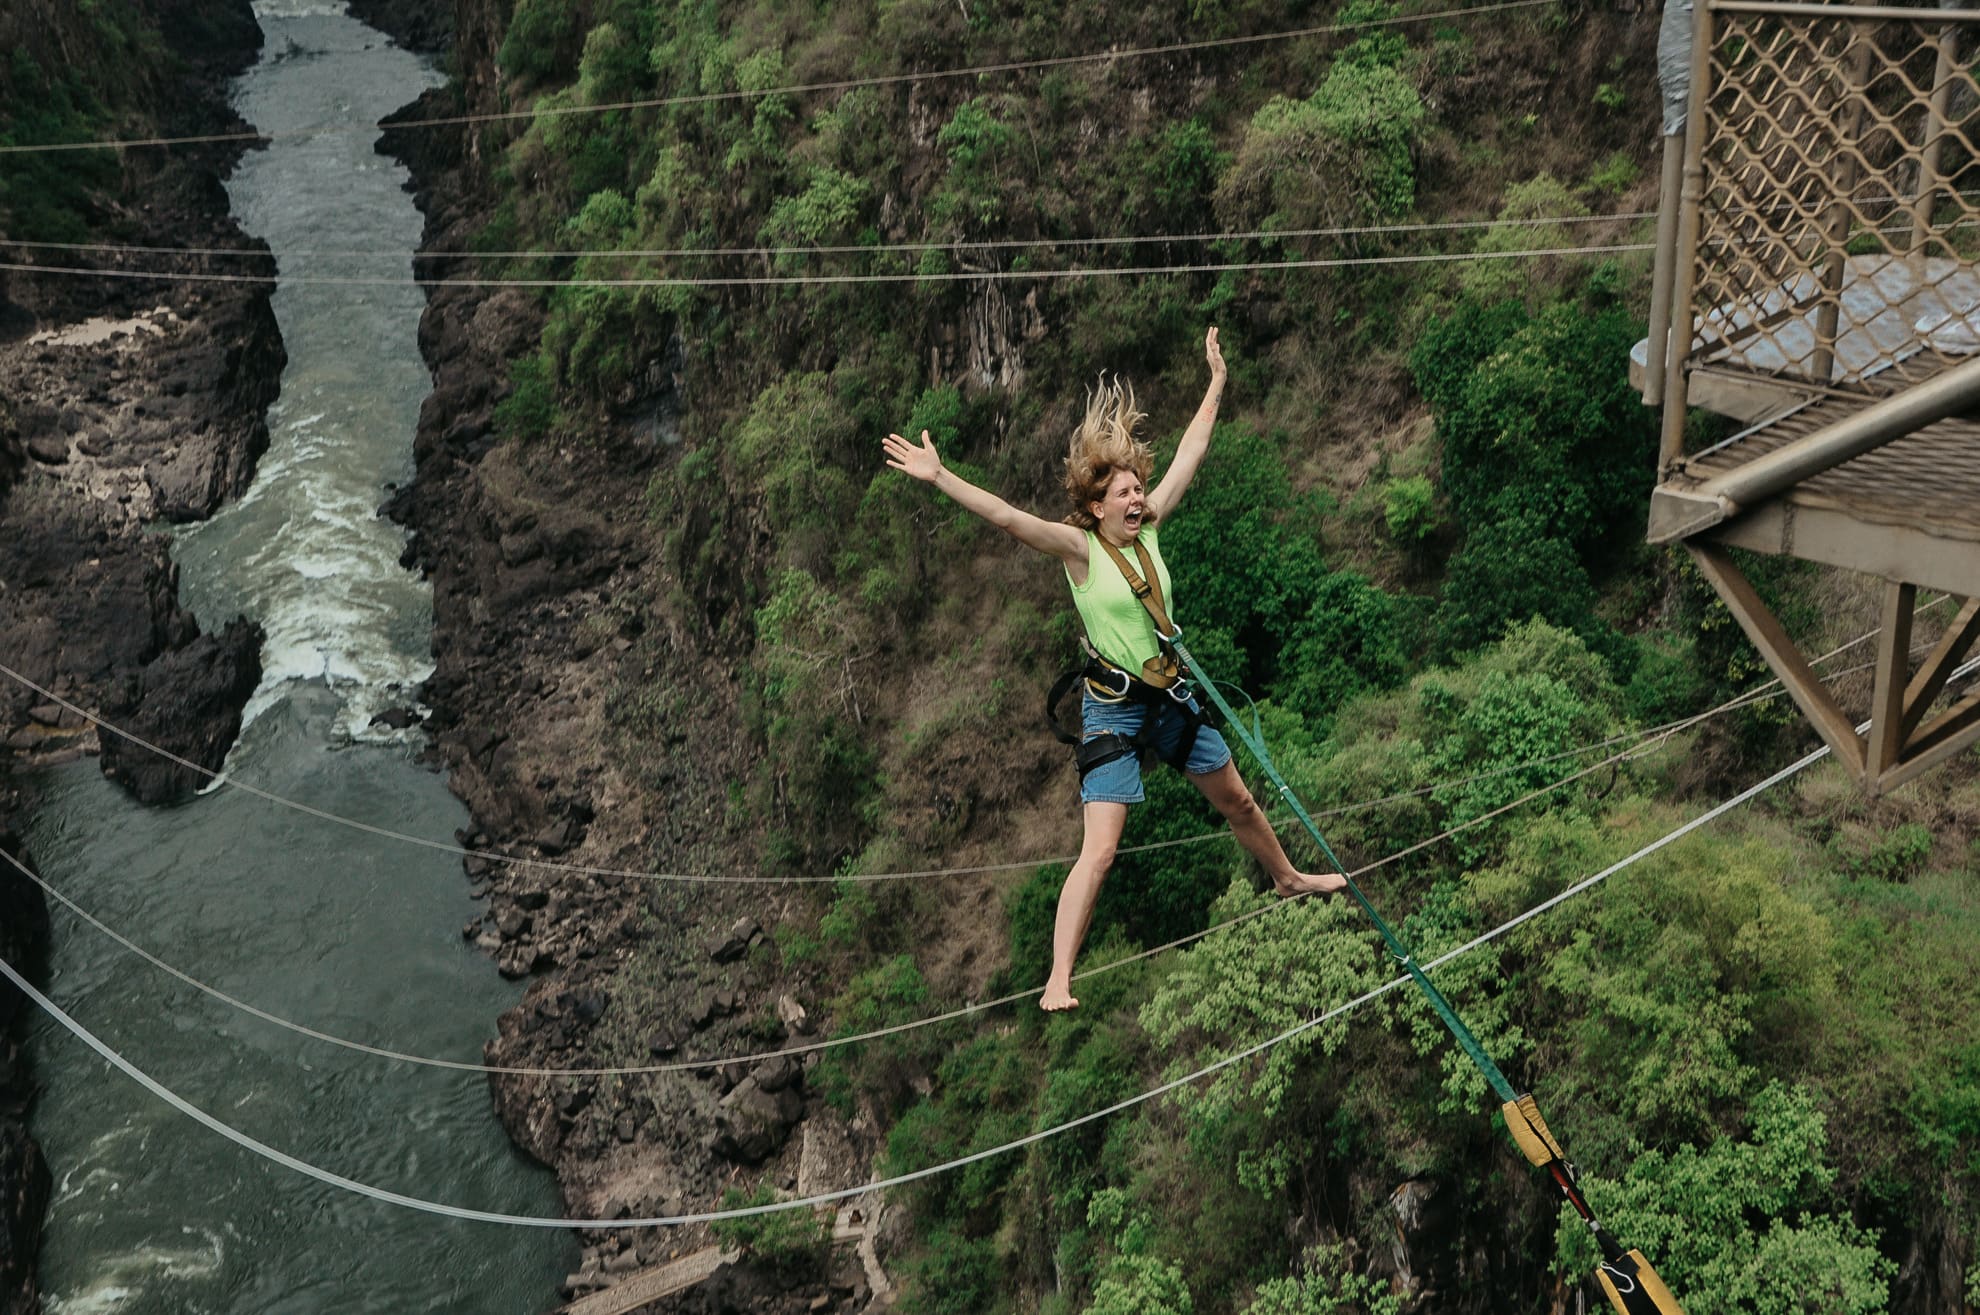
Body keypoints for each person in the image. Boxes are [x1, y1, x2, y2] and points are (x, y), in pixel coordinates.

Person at [882, 326, 1345, 1012]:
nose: (1137, 498)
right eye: (1124, 492)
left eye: (1139, 489)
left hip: (1169, 696)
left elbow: (1193, 449)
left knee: (1240, 800)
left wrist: (1216, 379)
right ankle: (1057, 977)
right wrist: (942, 476)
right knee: (1099, 851)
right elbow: (1009, 518)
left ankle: (1286, 877)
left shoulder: (1151, 529)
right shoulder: (1080, 550)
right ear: (1095, 506)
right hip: (1112, 707)